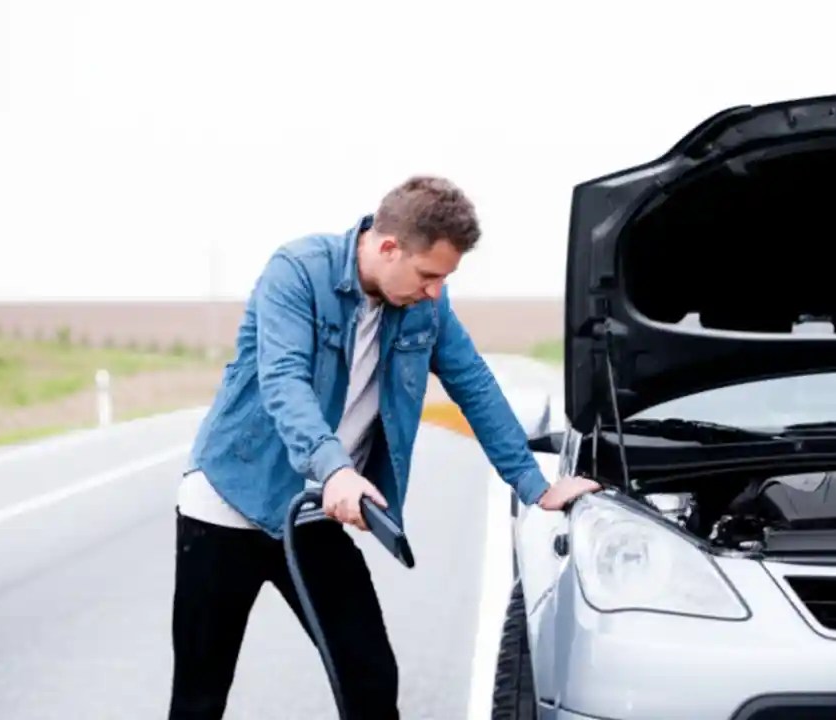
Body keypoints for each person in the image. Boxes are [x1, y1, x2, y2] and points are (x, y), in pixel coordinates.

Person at [168, 175, 600, 719]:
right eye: (428, 275)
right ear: (388, 246)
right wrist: (335, 470)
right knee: (200, 695)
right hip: (230, 503)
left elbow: (475, 385)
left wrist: (536, 485)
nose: (435, 291)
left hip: (311, 514)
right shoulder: (298, 272)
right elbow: (284, 382)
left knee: (370, 677)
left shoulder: (426, 307)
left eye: (445, 278)